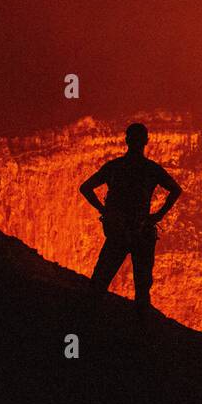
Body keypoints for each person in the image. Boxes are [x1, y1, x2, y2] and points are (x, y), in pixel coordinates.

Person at [79, 122, 182, 312]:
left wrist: (104, 210)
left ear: (127, 140)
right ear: (146, 141)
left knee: (99, 282)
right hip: (142, 233)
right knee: (142, 290)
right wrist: (156, 216)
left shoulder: (115, 167)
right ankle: (141, 334)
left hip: (118, 233)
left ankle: (89, 327)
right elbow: (176, 190)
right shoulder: (151, 169)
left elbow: (85, 188)